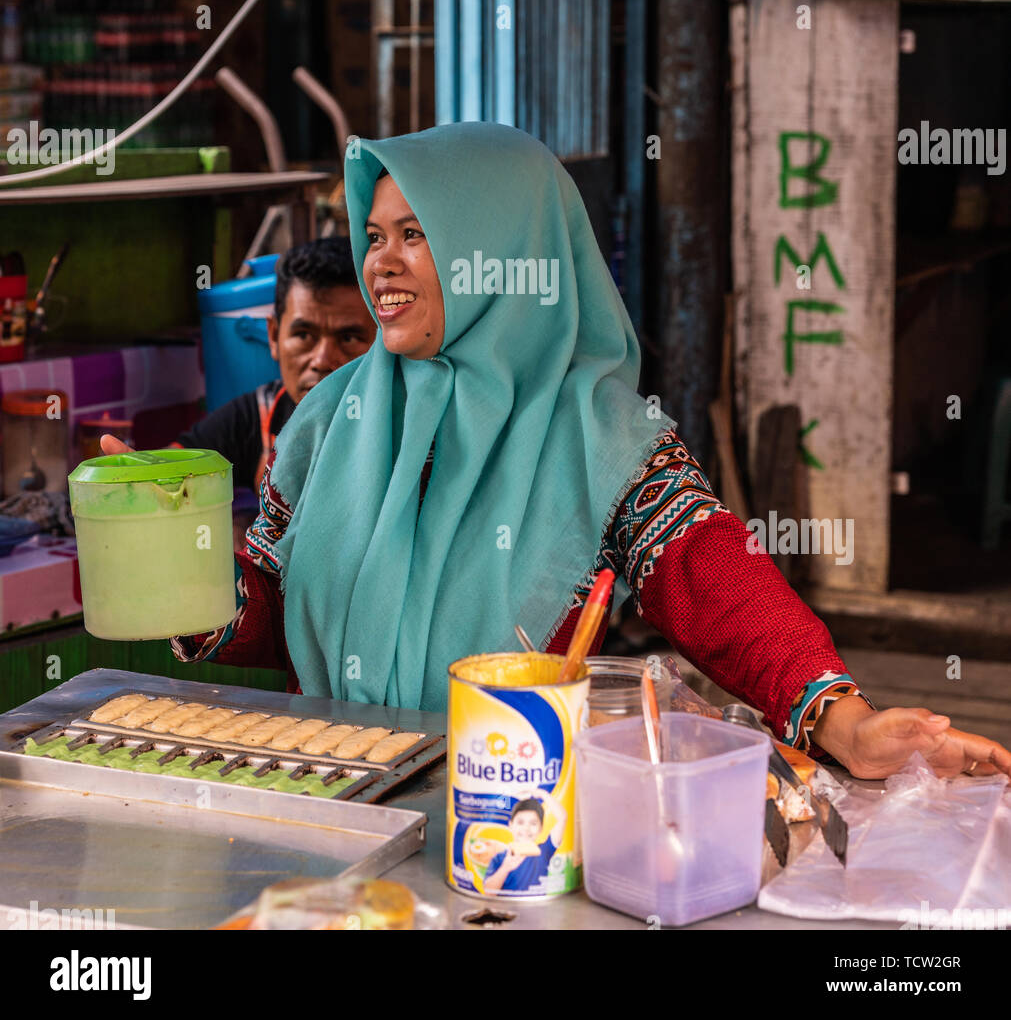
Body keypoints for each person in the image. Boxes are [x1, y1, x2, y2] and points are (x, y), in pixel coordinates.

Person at [111, 123, 1010, 782]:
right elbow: (266, 607)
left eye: (416, 235)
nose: (380, 262)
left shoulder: (599, 435)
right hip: (330, 792)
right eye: (374, 235)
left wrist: (843, 722)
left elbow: (717, 583)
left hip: (513, 816)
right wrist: (173, 557)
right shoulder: (327, 421)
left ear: (503, 254)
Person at [177, 237, 375, 491]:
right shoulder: (255, 415)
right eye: (304, 335)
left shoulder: (408, 428)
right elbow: (171, 471)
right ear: (273, 337)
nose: (322, 361)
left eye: (348, 338)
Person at [484, 790, 566, 895]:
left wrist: (543, 794)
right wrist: (506, 867)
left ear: (541, 828)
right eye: (520, 822)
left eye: (533, 823)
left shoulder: (544, 850)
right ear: (511, 825)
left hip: (537, 907)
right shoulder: (500, 858)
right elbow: (488, 892)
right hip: (504, 909)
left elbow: (562, 818)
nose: (526, 828)